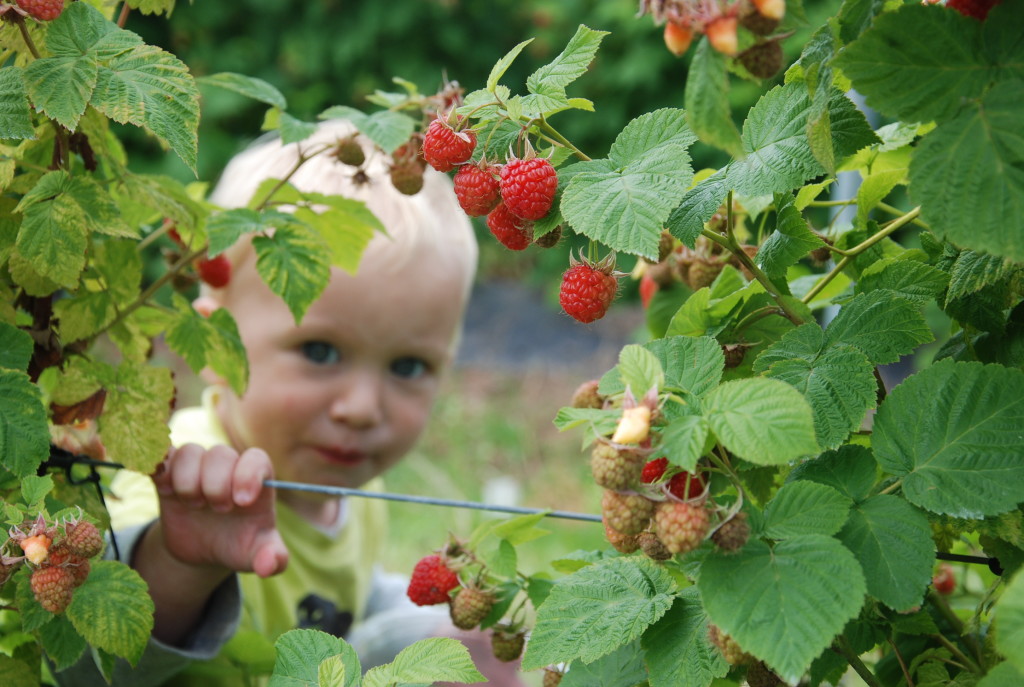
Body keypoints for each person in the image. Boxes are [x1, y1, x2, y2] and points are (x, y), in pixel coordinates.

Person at [56, 120, 514, 686]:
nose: (363, 407)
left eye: (408, 366)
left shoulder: (352, 488)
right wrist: (178, 564)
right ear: (217, 344)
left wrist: (434, 635)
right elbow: (87, 669)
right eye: (320, 351)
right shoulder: (181, 487)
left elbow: (346, 599)